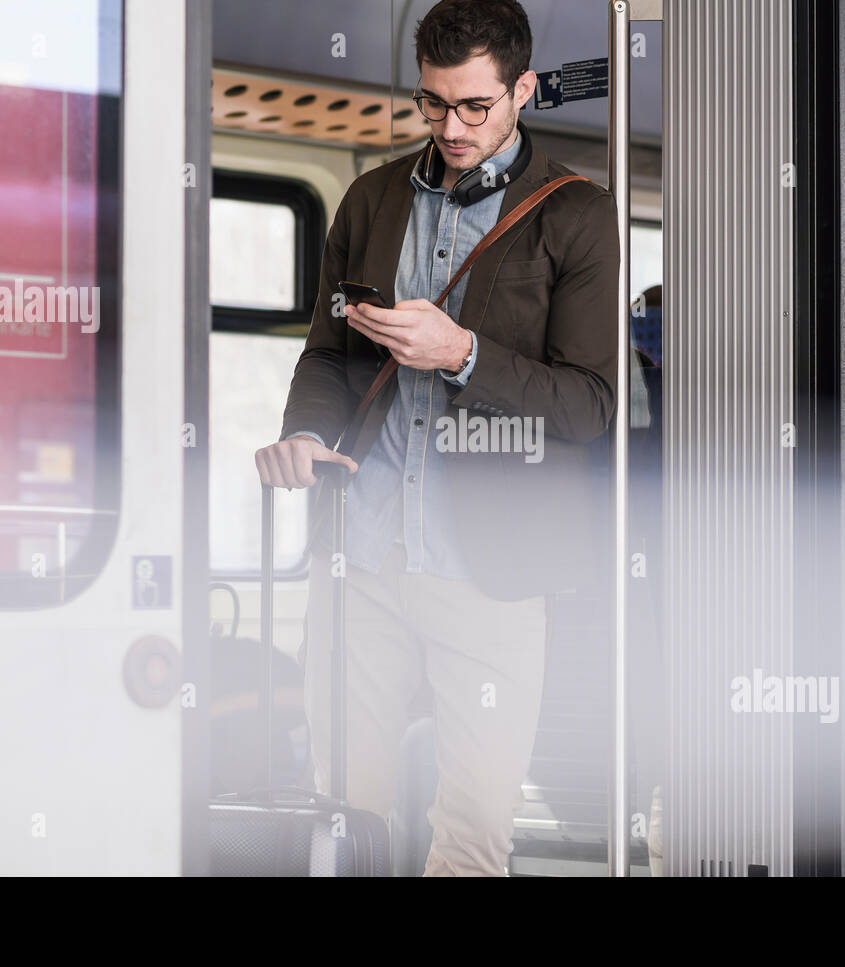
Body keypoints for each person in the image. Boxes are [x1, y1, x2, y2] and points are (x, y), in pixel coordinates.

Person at [254, 0, 619, 876]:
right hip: (361, 555)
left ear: (523, 90)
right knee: (340, 826)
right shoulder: (372, 199)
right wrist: (303, 434)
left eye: (474, 107)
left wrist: (462, 353)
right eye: (432, 103)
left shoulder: (576, 216)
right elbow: (330, 357)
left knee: (471, 838)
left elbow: (590, 405)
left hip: (488, 572)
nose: (450, 127)